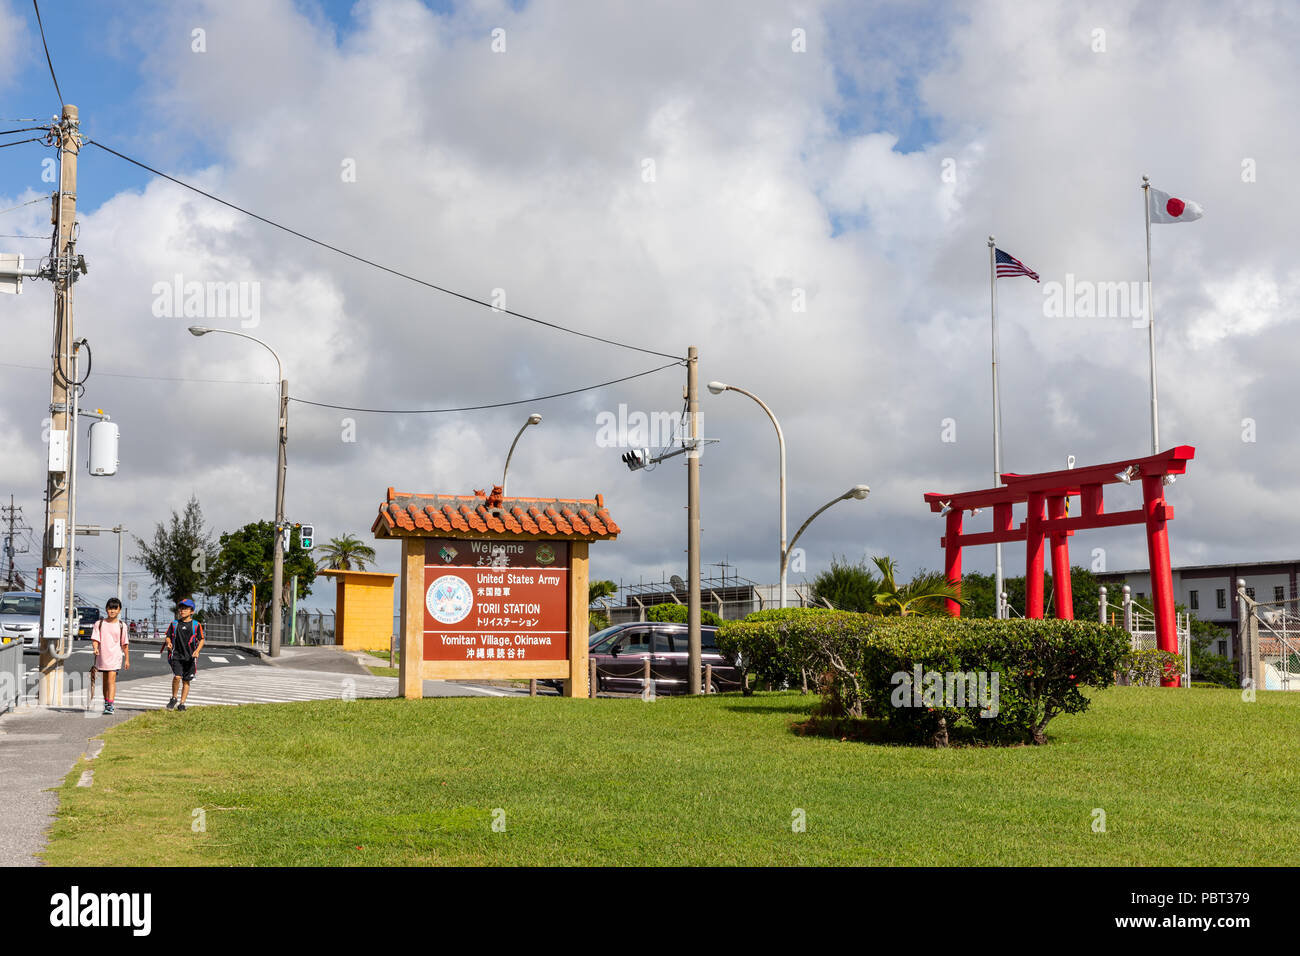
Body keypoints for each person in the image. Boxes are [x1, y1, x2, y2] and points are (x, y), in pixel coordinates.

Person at [163, 598, 205, 711]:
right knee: (177, 677)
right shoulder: (174, 624)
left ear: (192, 611)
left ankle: (182, 703)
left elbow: (201, 639)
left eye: (185, 608)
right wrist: (169, 642)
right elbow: (168, 636)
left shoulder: (196, 625)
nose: (182, 610)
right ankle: (174, 698)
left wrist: (197, 651)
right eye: (181, 608)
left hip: (190, 657)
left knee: (186, 681)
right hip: (176, 655)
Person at [91, 598, 130, 715]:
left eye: (115, 608)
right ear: (106, 609)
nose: (112, 611)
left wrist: (127, 659)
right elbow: (95, 639)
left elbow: (125, 644)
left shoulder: (122, 625)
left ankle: (110, 704)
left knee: (111, 680)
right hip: (102, 656)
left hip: (115, 656)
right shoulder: (100, 623)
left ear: (119, 610)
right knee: (105, 681)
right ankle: (106, 702)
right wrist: (95, 648)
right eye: (110, 608)